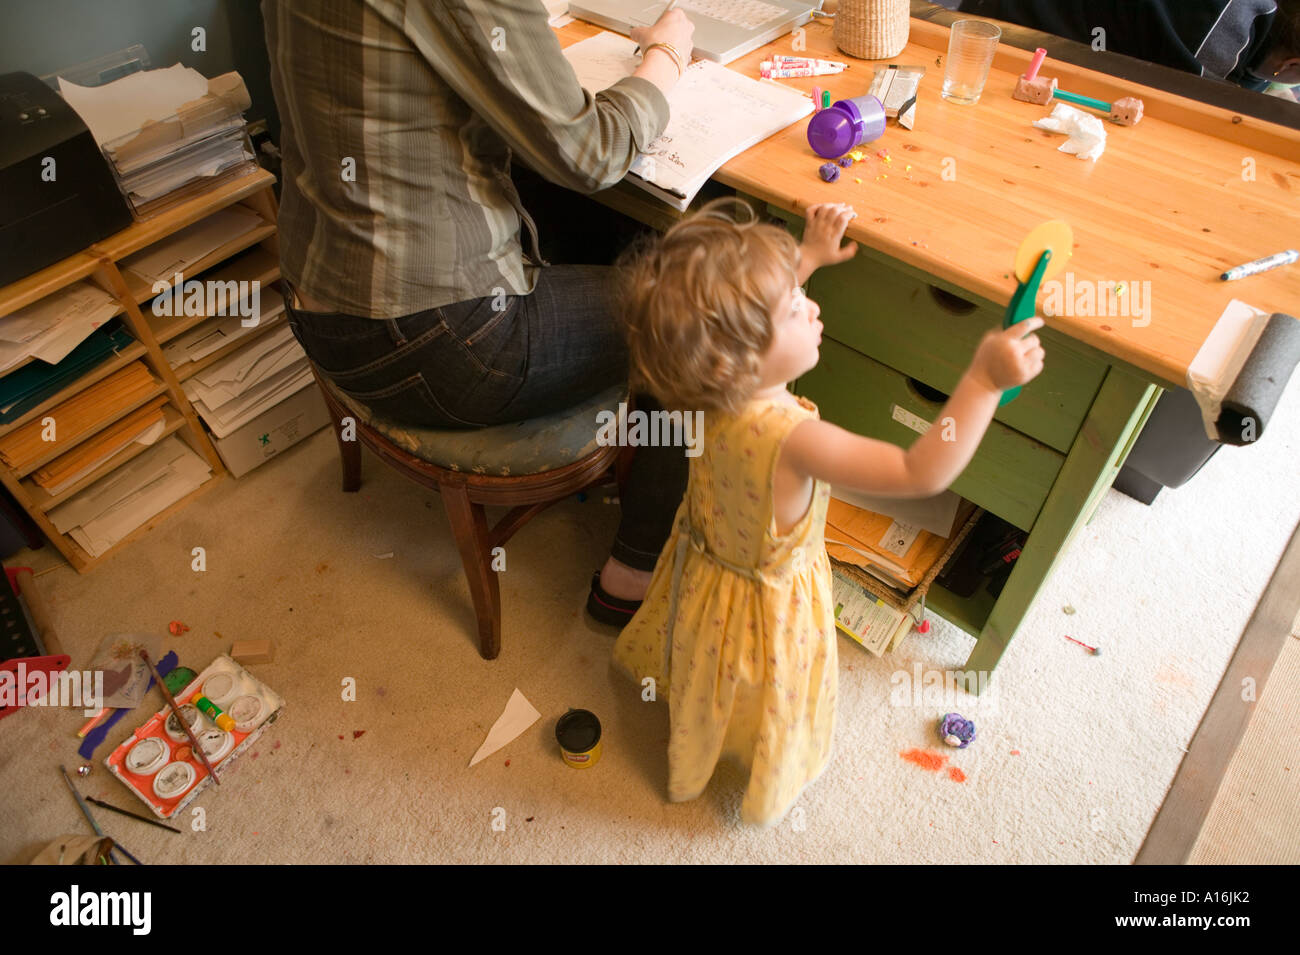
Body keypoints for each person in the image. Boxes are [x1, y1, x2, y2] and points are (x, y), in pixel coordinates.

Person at [611, 199, 1046, 826]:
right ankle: (761, 775)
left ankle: (697, 732)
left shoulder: (701, 386)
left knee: (713, 672)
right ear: (736, 358)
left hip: (708, 577)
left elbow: (740, 324)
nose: (811, 306)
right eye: (793, 306)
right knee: (769, 694)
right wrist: (982, 382)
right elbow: (920, 470)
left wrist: (807, 257)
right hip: (768, 605)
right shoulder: (794, 440)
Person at [261, 0, 695, 622]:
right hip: (437, 343)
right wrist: (668, 55)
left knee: (564, 208)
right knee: (704, 310)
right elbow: (593, 153)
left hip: (316, 311)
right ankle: (633, 573)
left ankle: (625, 440)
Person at [954, 0, 1300, 92]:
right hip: (1012, 25)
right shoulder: (1221, 41)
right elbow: (1222, 107)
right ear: (1290, 64)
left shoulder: (1262, 14)